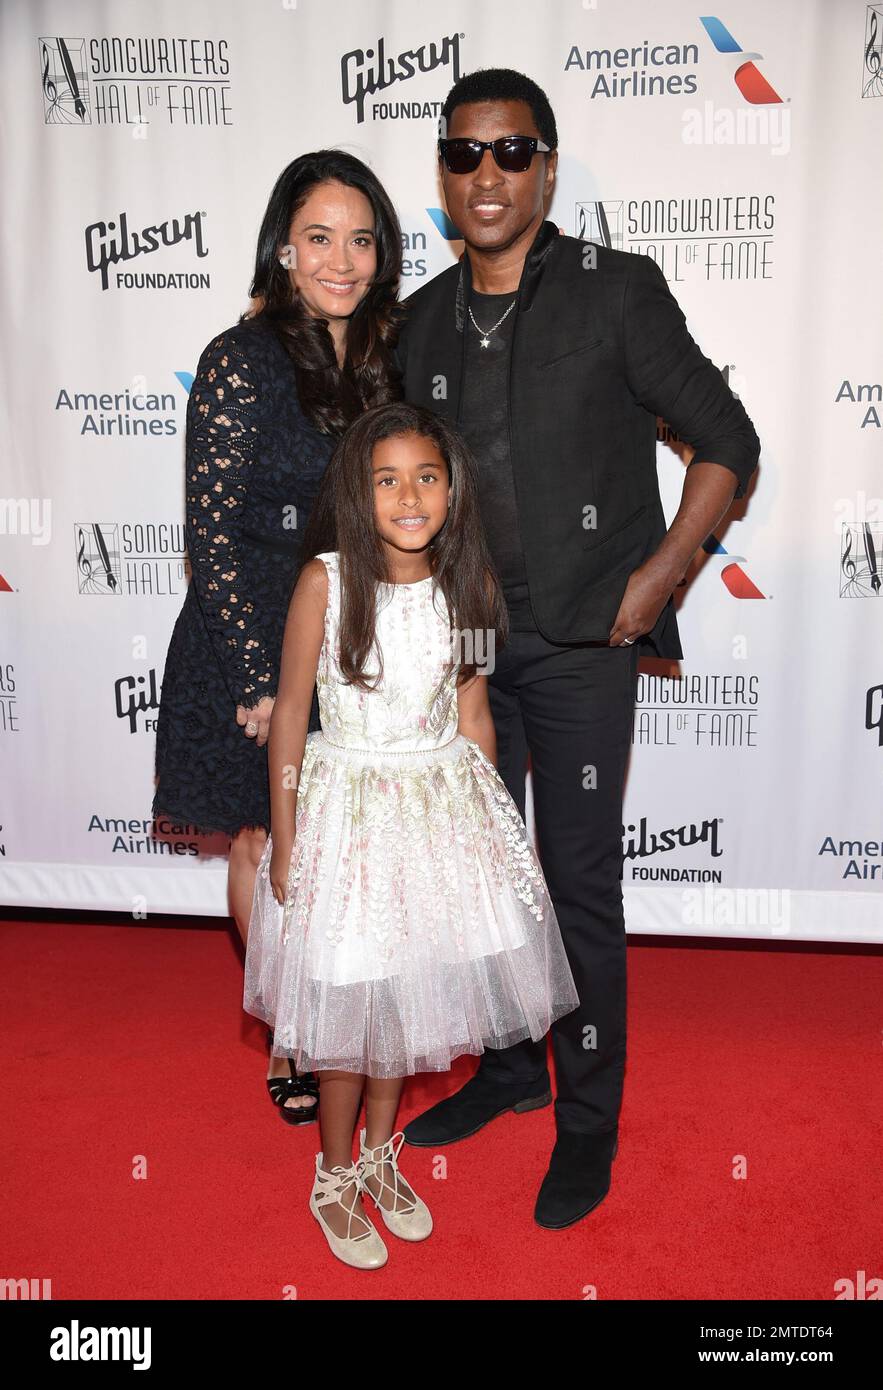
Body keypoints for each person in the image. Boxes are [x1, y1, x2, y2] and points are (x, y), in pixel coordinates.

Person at [394, 68, 761, 1228]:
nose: (487, 175)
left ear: (547, 167)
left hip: (583, 646)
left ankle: (586, 1121)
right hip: (466, 650)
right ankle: (507, 1072)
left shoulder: (616, 292)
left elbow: (726, 439)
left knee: (576, 887)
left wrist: (659, 577)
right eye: (464, 154)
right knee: (483, 883)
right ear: (443, 177)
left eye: (512, 152)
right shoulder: (419, 322)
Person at [242, 401, 579, 1268]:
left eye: (425, 476)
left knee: (405, 1002)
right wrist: (285, 834)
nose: (407, 495)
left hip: (436, 815)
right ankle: (333, 1173)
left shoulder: (471, 584)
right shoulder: (326, 580)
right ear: (359, 492)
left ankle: (384, 1160)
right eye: (385, 478)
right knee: (350, 1007)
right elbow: (289, 714)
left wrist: (495, 831)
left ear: (451, 488)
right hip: (347, 814)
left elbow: (472, 710)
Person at [152, 150, 404, 1122]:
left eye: (359, 238)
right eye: (317, 238)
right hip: (246, 632)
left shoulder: (381, 359)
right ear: (281, 248)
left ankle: (333, 1011)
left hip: (348, 632)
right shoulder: (240, 358)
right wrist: (261, 680)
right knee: (265, 838)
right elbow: (209, 536)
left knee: (337, 842)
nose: (339, 259)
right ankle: (290, 1037)